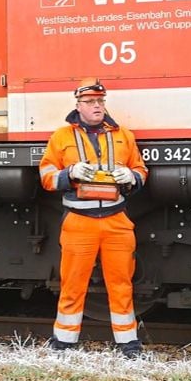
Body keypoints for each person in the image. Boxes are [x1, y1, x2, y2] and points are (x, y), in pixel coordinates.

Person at [39, 78, 149, 357]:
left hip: (117, 220)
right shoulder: (61, 137)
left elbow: (141, 169)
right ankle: (64, 340)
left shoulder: (124, 134)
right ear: (78, 106)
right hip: (79, 221)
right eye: (90, 102)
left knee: (122, 282)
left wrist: (132, 177)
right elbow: (46, 177)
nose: (97, 106)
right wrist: (69, 174)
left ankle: (128, 342)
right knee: (73, 282)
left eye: (100, 101)